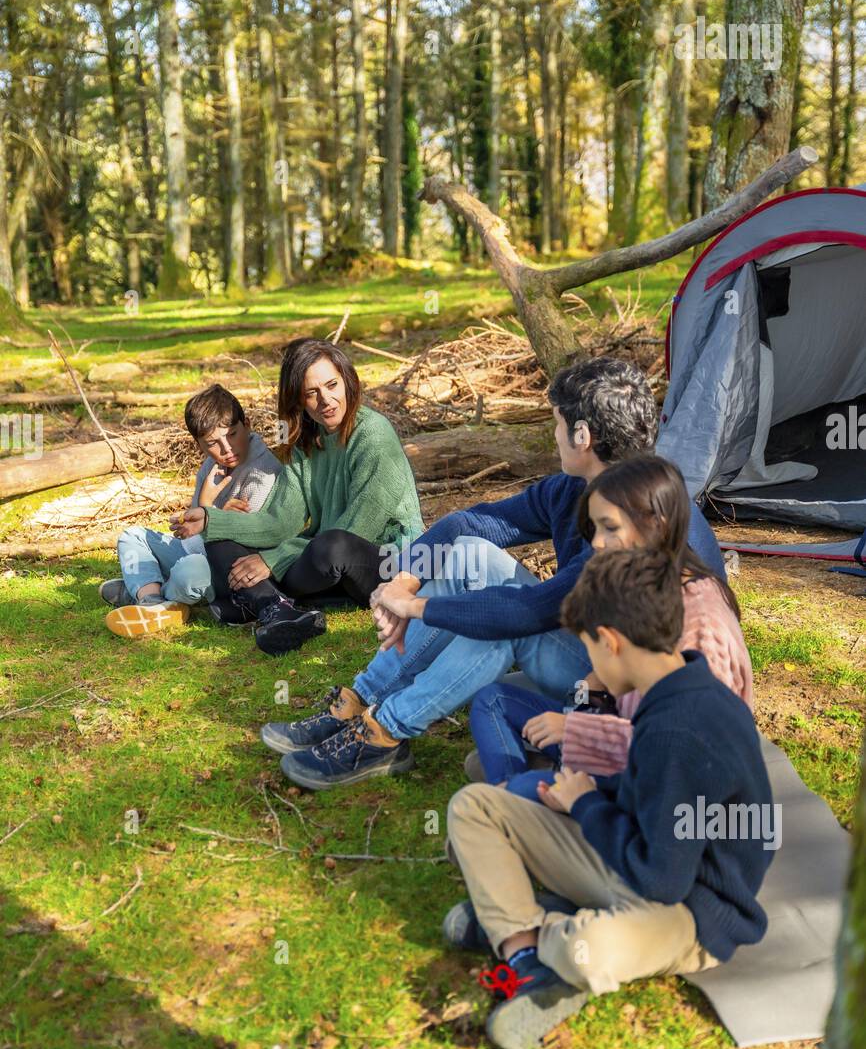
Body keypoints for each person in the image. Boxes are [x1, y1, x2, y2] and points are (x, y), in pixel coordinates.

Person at [270, 356, 726, 789]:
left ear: (582, 435)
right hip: (594, 657)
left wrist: (417, 607)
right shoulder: (578, 489)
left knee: (505, 626)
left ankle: (387, 731)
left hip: (627, 686)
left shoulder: (634, 523)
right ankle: (362, 697)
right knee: (469, 553)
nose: (553, 435)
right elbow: (472, 522)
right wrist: (404, 579)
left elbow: (531, 614)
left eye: (557, 425)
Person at [445, 548, 776, 1049]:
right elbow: (651, 794)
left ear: (611, 642)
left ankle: (532, 929)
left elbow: (662, 879)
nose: (591, 670)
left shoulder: (678, 728)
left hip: (692, 912)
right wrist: (593, 793)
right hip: (644, 861)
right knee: (476, 806)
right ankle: (527, 951)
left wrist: (585, 807)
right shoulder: (678, 688)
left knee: (586, 951)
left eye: (589, 651)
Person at [469, 454, 752, 799]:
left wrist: (575, 732)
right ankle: (519, 791)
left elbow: (684, 748)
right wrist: (582, 703)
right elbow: (604, 685)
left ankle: (516, 797)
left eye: (610, 528)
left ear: (657, 525)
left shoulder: (701, 625)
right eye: (595, 528)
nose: (597, 543)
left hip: (649, 781)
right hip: (612, 735)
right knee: (493, 700)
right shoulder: (640, 584)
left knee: (505, 788)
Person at [170, 338, 424, 656]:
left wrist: (273, 559)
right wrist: (210, 518)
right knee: (222, 536)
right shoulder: (305, 444)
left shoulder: (374, 434)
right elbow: (280, 522)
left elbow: (359, 529)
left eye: (332, 385)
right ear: (298, 400)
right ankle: (276, 608)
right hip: (325, 565)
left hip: (388, 564)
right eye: (311, 393)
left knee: (332, 544)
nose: (326, 400)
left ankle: (248, 600)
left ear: (347, 381)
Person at [100, 384, 283, 639]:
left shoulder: (262, 473)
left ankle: (141, 591)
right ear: (199, 445)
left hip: (219, 567)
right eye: (212, 443)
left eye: (232, 434)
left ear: (247, 424)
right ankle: (153, 601)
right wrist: (200, 511)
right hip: (194, 549)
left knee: (190, 572)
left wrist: (212, 514)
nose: (226, 448)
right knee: (132, 537)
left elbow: (238, 544)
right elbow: (194, 529)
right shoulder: (212, 465)